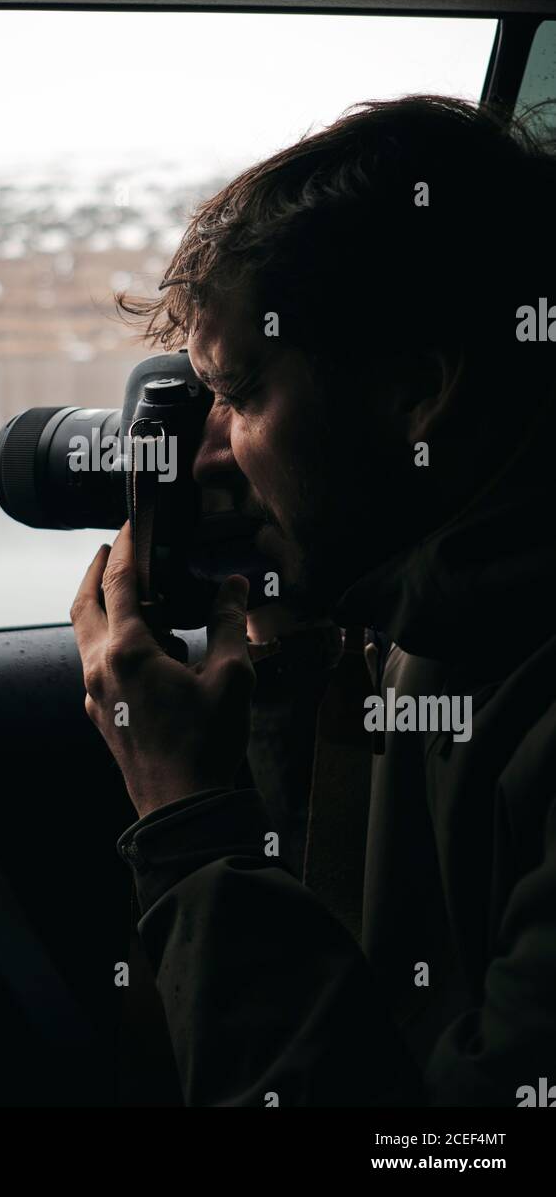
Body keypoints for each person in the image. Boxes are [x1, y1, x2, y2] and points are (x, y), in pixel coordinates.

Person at [69, 94, 556, 1106]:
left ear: (414, 391)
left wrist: (185, 820)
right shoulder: (425, 629)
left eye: (240, 395)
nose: (202, 454)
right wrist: (289, 663)